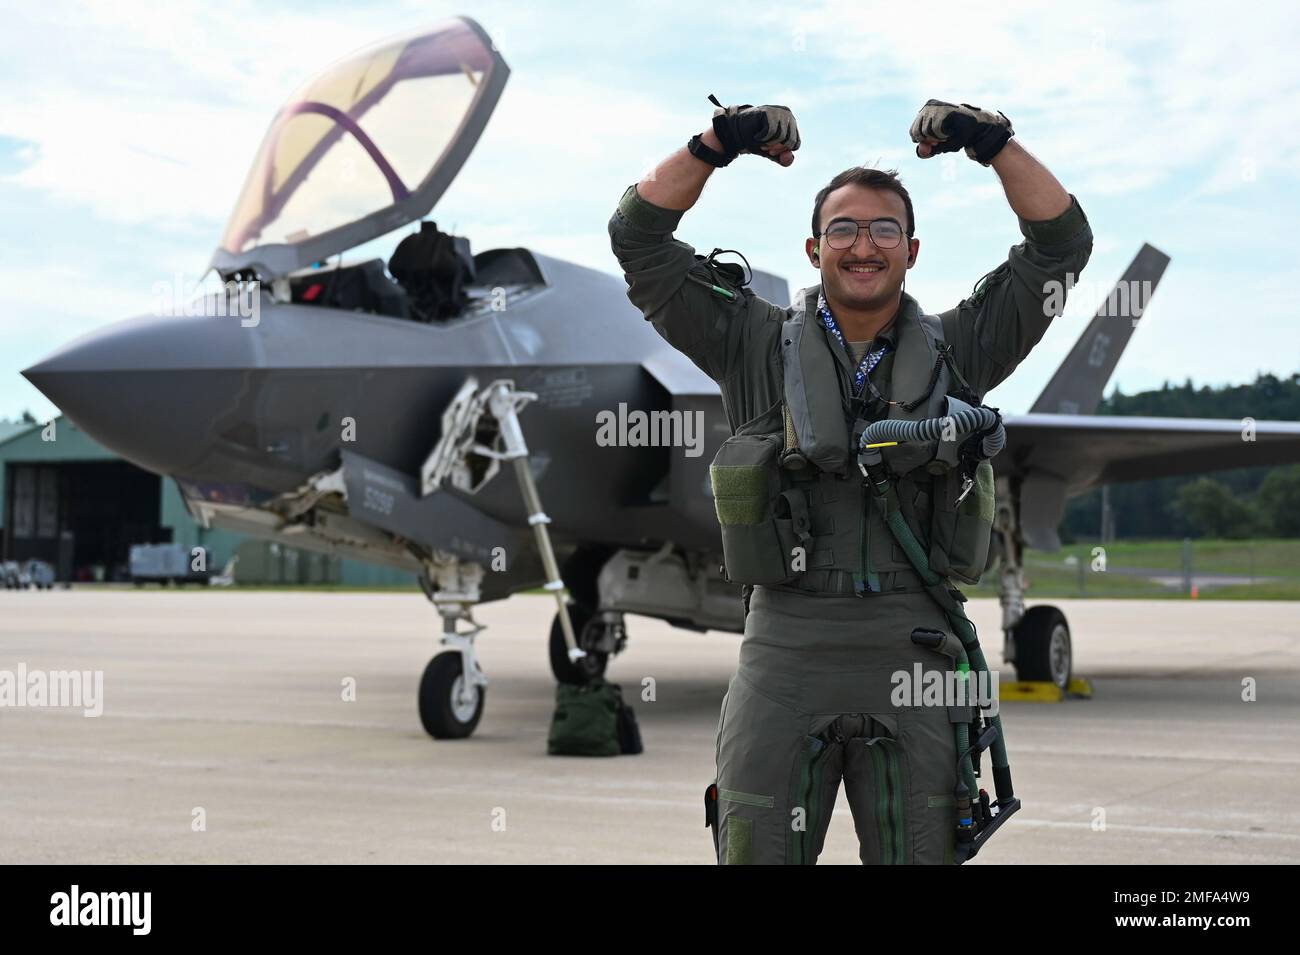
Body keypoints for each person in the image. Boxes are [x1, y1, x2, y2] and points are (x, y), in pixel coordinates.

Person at [607, 98, 1093, 864]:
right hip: (784, 652)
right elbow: (638, 239)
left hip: (918, 651)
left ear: (912, 248)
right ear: (813, 247)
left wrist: (993, 142)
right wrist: (718, 141)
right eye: (844, 228)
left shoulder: (962, 347)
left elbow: (1061, 246)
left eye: (882, 229)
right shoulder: (751, 340)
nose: (863, 245)